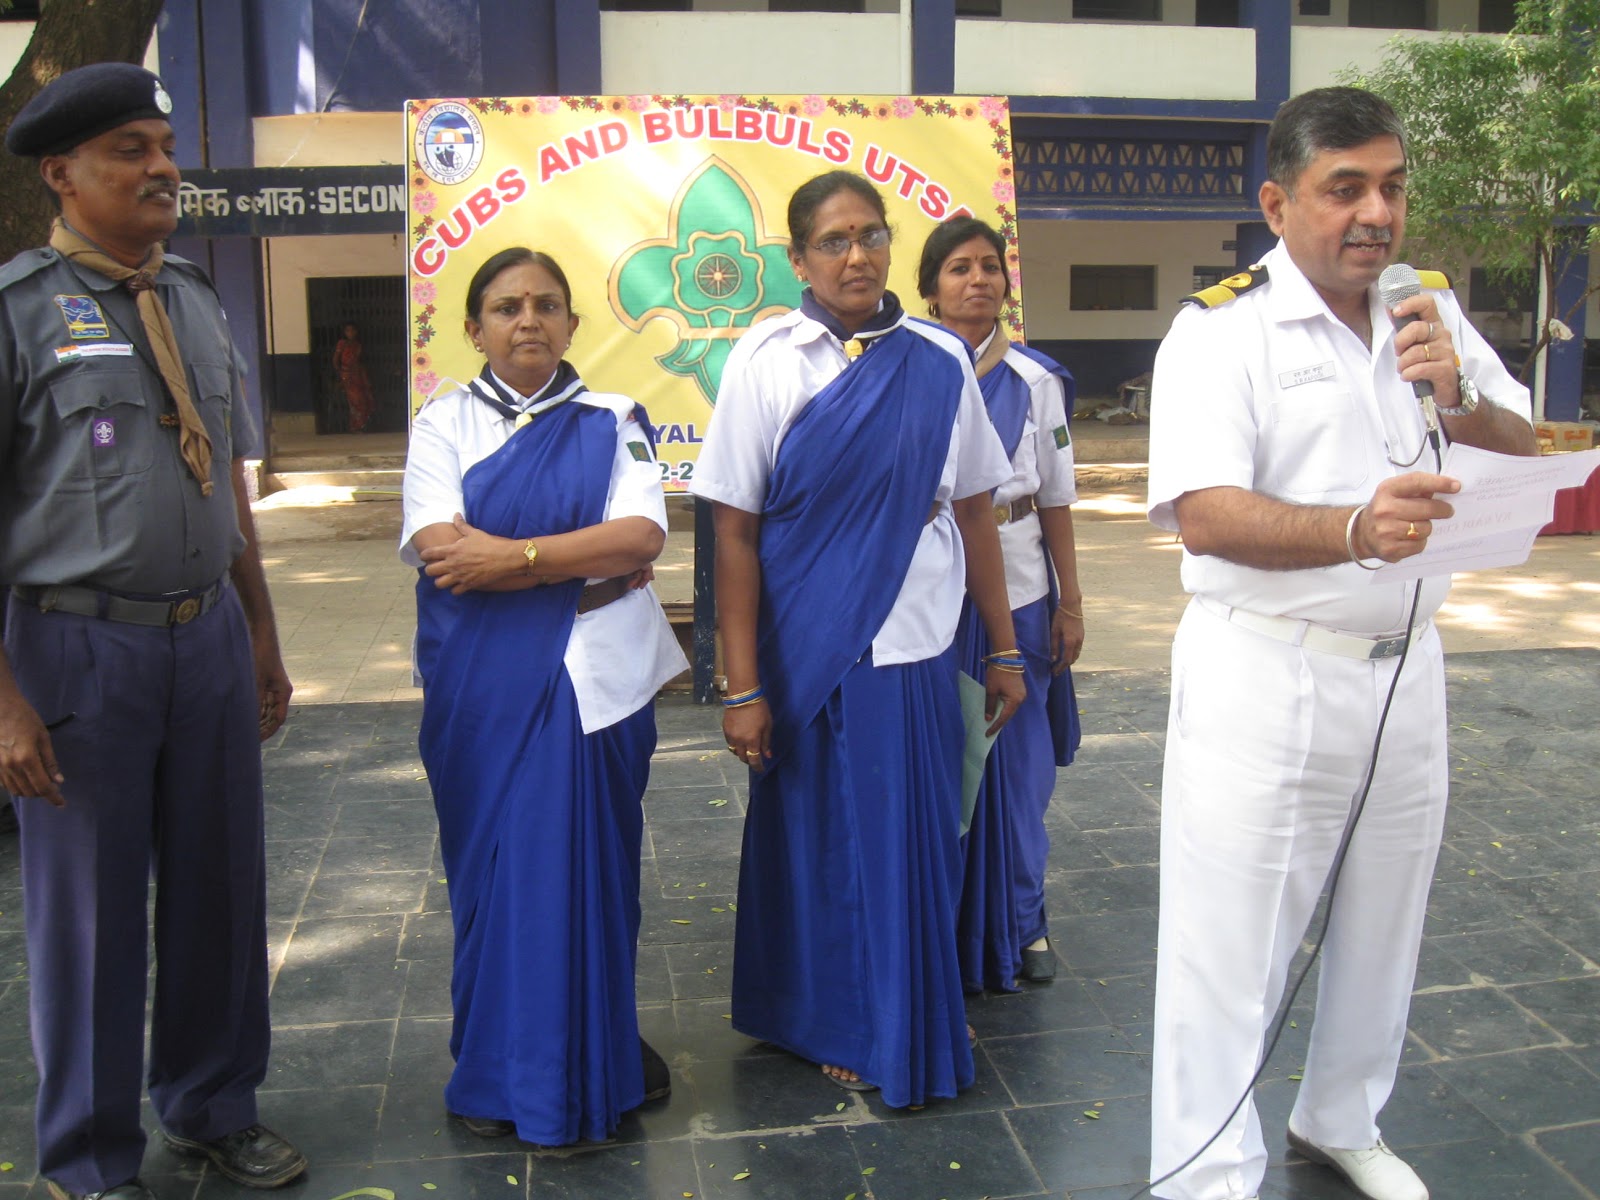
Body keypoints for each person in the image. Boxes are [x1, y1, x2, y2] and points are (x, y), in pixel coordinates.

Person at [1145, 87, 1535, 1200]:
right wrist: (1354, 530)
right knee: (1233, 946)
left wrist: (1453, 395)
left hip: (1408, 670)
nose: (1377, 214)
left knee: (1385, 915)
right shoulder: (1221, 330)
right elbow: (1205, 512)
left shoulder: (1430, 315)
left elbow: (1517, 442)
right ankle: (1205, 1173)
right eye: (1345, 189)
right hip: (1268, 669)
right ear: (1279, 202)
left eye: (1394, 187)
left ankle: (1339, 1116)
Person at [0, 64, 305, 1200]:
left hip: (208, 639)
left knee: (223, 891)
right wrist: (6, 704)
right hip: (79, 651)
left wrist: (263, 637)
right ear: (61, 173)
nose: (162, 167)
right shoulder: (18, 314)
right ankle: (89, 1159)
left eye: (165, 145)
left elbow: (225, 485)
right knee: (88, 917)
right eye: (129, 148)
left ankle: (214, 1106)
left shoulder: (192, 298)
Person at [690, 171, 1025, 1106]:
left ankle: (910, 993)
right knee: (826, 837)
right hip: (811, 641)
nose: (857, 255)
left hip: (919, 638)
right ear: (797, 259)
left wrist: (1002, 646)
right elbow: (733, 530)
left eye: (871, 235)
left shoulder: (936, 358)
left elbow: (973, 508)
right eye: (833, 241)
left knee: (917, 833)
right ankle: (833, 1015)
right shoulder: (768, 360)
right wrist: (741, 684)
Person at [400, 247, 687, 1145]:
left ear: (572, 324)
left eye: (547, 305)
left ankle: (595, 1050)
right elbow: (444, 551)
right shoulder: (441, 422)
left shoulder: (614, 417)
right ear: (475, 327)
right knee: (494, 877)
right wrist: (573, 554)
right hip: (481, 684)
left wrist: (514, 557)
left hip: (596, 680)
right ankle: (498, 1070)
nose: (528, 320)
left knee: (594, 873)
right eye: (507, 305)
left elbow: (641, 534)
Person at [916, 216, 1085, 992]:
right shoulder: (906, 373)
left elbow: (1054, 499)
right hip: (932, 596)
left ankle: (1023, 923)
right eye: (958, 268)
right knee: (941, 767)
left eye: (990, 267)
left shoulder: (1034, 381)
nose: (977, 280)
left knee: (1018, 775)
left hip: (1018, 591)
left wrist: (1070, 602)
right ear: (929, 289)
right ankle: (939, 927)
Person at [333, 320, 375, 432]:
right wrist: (340, 374)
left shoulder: (358, 345)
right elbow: (336, 360)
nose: (350, 333)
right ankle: (355, 425)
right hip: (347, 375)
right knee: (354, 401)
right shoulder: (342, 344)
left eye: (352, 330)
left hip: (358, 375)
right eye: (347, 331)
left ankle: (363, 424)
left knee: (364, 399)